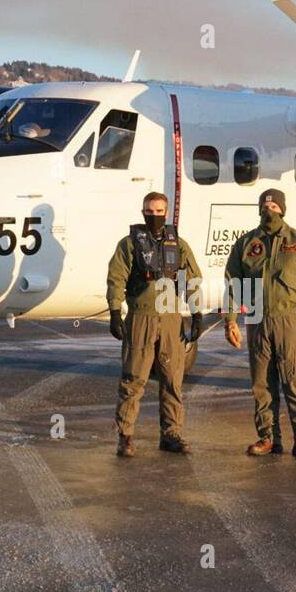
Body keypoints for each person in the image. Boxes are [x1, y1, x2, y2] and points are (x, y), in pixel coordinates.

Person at [224, 188, 296, 460]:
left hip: (289, 319)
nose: (268, 209)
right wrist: (230, 321)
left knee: (294, 382)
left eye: (273, 205)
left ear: (283, 209)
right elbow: (233, 282)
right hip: (257, 318)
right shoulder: (246, 244)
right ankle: (269, 438)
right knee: (262, 384)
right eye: (264, 205)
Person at [106, 192, 203, 457]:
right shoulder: (128, 245)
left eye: (159, 211)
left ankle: (171, 434)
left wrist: (196, 314)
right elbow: (116, 278)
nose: (154, 216)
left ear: (167, 212)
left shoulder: (178, 245)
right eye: (149, 212)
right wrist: (115, 312)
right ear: (142, 212)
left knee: (172, 380)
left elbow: (191, 279)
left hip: (170, 318)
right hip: (141, 316)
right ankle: (125, 436)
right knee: (133, 379)